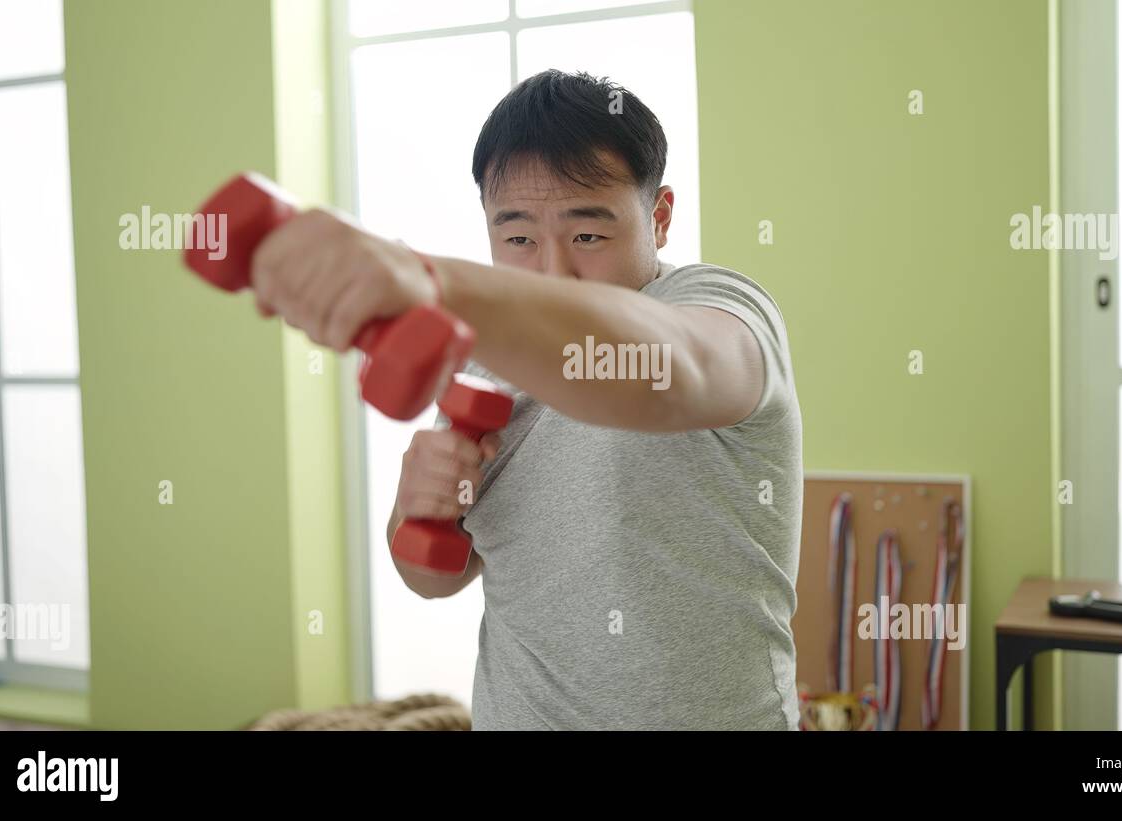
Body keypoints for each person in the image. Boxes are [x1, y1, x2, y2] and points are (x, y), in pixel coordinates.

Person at [250, 69, 803, 730]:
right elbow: (431, 576)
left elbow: (674, 368)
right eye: (518, 238)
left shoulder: (717, 308)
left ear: (659, 215)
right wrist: (422, 504)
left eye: (588, 236)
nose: (553, 271)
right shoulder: (486, 353)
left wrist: (427, 281)